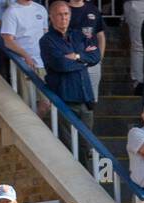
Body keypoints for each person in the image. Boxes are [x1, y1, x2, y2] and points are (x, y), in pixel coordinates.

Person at [42, 0, 99, 133]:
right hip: (64, 100)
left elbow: (95, 57)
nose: (63, 18)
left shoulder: (79, 35)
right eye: (59, 14)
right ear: (51, 17)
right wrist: (84, 61)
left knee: (87, 144)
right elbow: (61, 65)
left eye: (66, 14)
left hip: (85, 99)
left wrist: (77, 57)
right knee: (68, 146)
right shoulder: (46, 40)